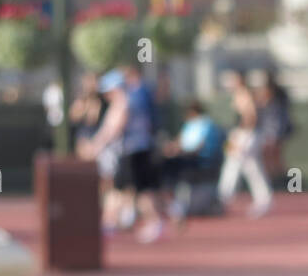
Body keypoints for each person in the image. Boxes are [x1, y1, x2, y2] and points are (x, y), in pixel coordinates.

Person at [84, 66, 167, 243]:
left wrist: (96, 145)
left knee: (136, 191)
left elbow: (113, 128)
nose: (105, 95)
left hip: (132, 152)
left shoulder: (123, 101)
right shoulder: (132, 99)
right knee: (124, 189)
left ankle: (152, 221)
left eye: (107, 91)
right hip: (136, 150)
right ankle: (111, 222)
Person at [217, 69, 272, 218]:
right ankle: (263, 199)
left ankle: (224, 197)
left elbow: (250, 115)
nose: (229, 83)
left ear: (239, 79)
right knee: (249, 167)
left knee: (235, 164)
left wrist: (244, 137)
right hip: (242, 134)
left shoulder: (243, 93)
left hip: (244, 134)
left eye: (232, 79)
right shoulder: (240, 94)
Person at [161, 101, 225, 221]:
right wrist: (171, 148)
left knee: (174, 167)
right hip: (188, 157)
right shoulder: (189, 124)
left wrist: (180, 150)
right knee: (165, 164)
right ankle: (173, 202)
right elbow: (179, 141)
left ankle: (178, 204)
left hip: (201, 160)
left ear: (193, 112)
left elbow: (198, 146)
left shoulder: (206, 124)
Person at [255, 69, 292, 181]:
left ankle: (279, 177)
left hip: (274, 126)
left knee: (272, 152)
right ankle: (274, 175)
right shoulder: (279, 92)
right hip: (274, 125)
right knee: (271, 153)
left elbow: (262, 102)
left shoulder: (274, 92)